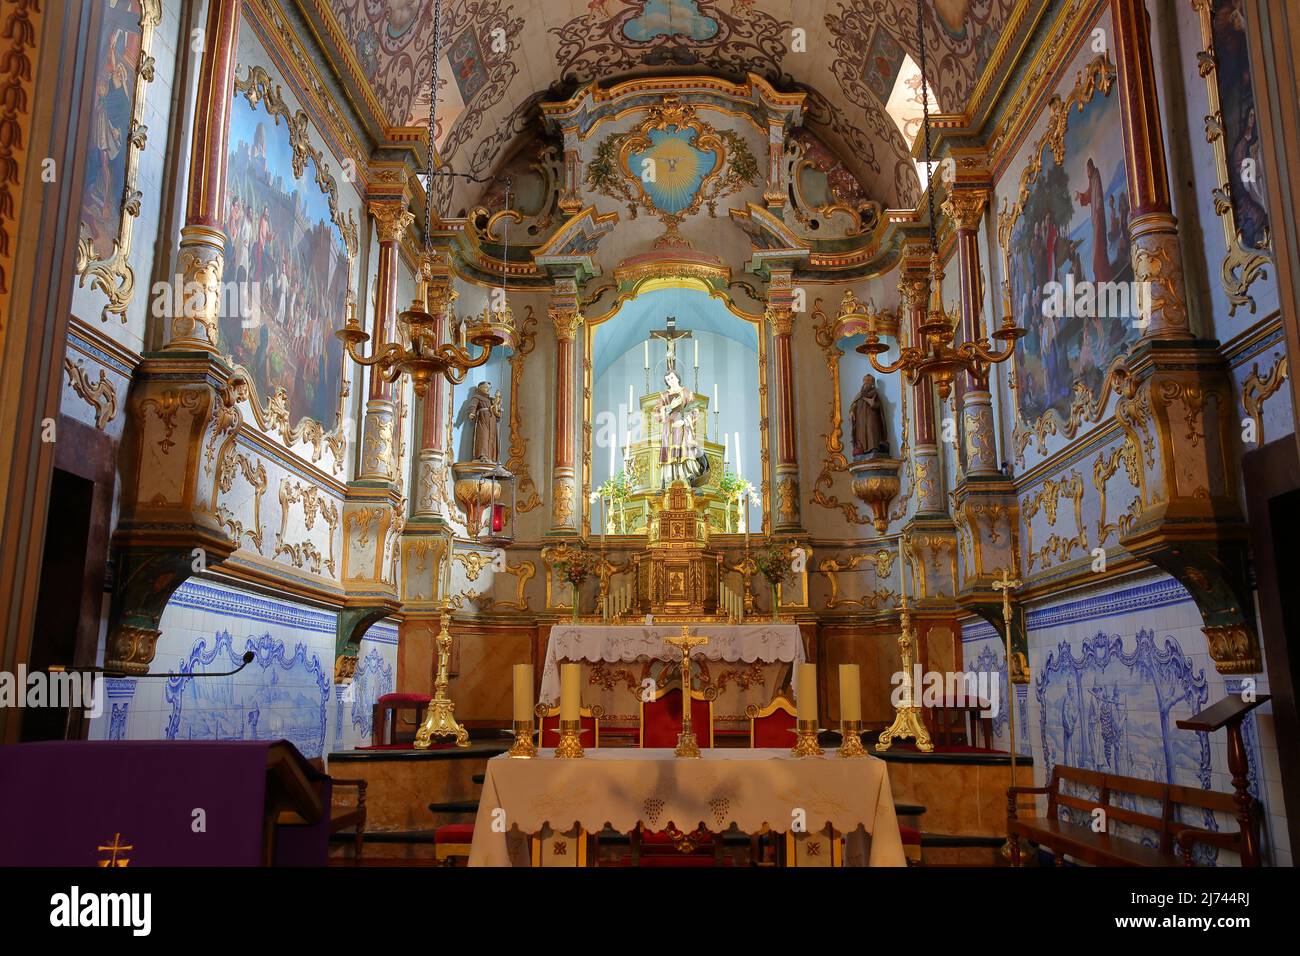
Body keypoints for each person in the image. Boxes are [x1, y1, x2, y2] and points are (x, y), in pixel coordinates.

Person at [657, 369, 698, 485]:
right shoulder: (663, 396)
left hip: (683, 427)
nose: (670, 381)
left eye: (672, 377)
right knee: (670, 450)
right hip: (669, 428)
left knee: (684, 449)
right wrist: (670, 407)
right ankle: (670, 477)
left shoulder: (687, 393)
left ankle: (686, 476)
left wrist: (685, 421)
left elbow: (695, 410)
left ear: (678, 378)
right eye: (668, 380)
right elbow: (657, 413)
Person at [849, 374, 889, 456]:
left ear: (872, 383)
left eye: (868, 381)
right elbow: (853, 405)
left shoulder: (874, 394)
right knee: (861, 434)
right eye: (865, 380)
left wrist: (871, 402)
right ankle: (862, 449)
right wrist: (852, 412)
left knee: (872, 431)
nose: (866, 383)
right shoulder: (859, 395)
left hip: (872, 417)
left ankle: (873, 447)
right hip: (860, 420)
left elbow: (877, 406)